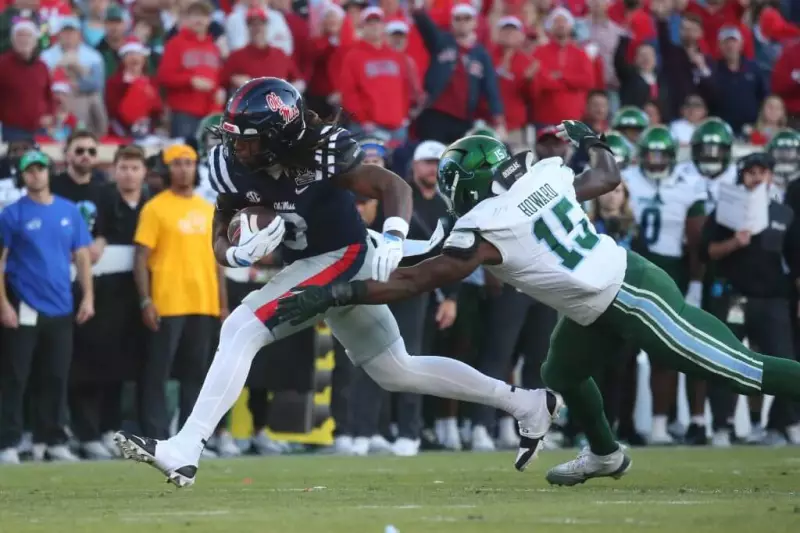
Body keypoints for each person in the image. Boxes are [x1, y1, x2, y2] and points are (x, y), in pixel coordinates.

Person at [277, 121, 800, 486]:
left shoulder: (486, 228)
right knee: (562, 372)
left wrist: (340, 291)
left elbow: (420, 280)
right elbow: (607, 176)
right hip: (593, 303)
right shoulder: (544, 175)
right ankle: (603, 453)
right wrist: (594, 140)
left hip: (632, 294)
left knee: (739, 368)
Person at [113, 77, 557, 487]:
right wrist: (231, 251)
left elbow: (391, 186)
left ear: (279, 138)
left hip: (345, 253)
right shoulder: (230, 165)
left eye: (248, 141)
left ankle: (186, 447)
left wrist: (396, 233)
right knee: (396, 369)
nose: (237, 149)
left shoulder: (321, 151)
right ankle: (526, 404)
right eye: (234, 138)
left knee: (239, 329)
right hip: (318, 261)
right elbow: (224, 216)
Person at [0, 150, 94, 465]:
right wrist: (3, 304)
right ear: (23, 176)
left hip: (61, 307)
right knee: (16, 377)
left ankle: (51, 439)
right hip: (24, 305)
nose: (36, 175)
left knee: (55, 376)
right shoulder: (12, 214)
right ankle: (9, 441)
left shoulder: (69, 211)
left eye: (40, 169)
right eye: (30, 170)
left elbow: (82, 256)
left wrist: (88, 297)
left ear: (48, 172)